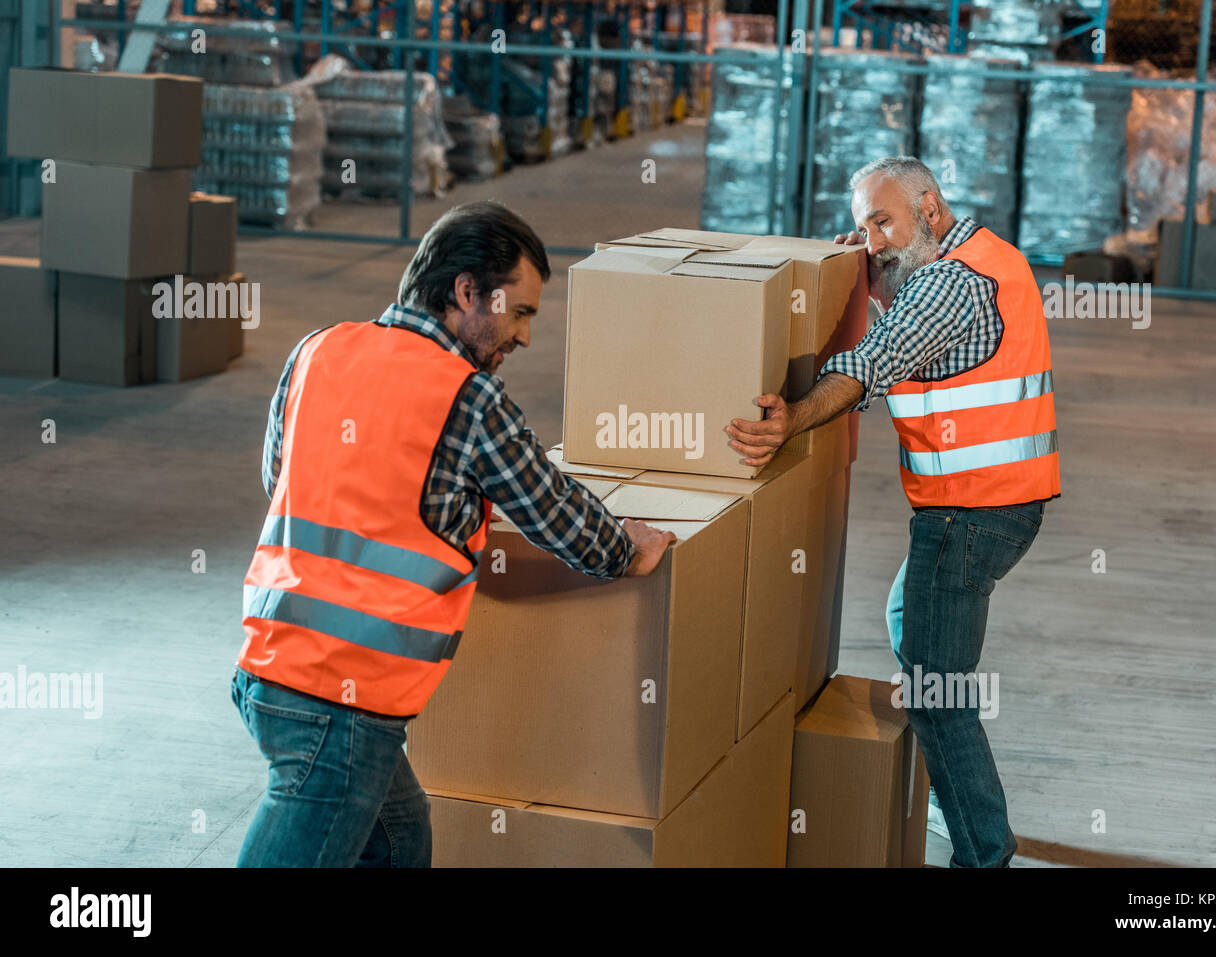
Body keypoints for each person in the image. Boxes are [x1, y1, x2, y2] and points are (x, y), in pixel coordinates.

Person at [230, 201, 677, 867]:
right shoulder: (468, 399)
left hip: (273, 665)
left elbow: (281, 479)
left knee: (401, 841)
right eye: (519, 310)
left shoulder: (319, 349)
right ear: (467, 291)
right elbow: (554, 513)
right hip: (341, 701)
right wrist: (628, 548)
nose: (524, 336)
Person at [727, 156, 1060, 868]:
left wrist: (793, 417)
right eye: (862, 225)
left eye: (883, 221)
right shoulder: (988, 255)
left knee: (939, 694)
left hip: (966, 512)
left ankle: (983, 851)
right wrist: (868, 274)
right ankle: (953, 800)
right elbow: (914, 328)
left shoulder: (947, 286)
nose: (872, 239)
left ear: (930, 207)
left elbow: (871, 363)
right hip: (1007, 499)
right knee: (910, 617)